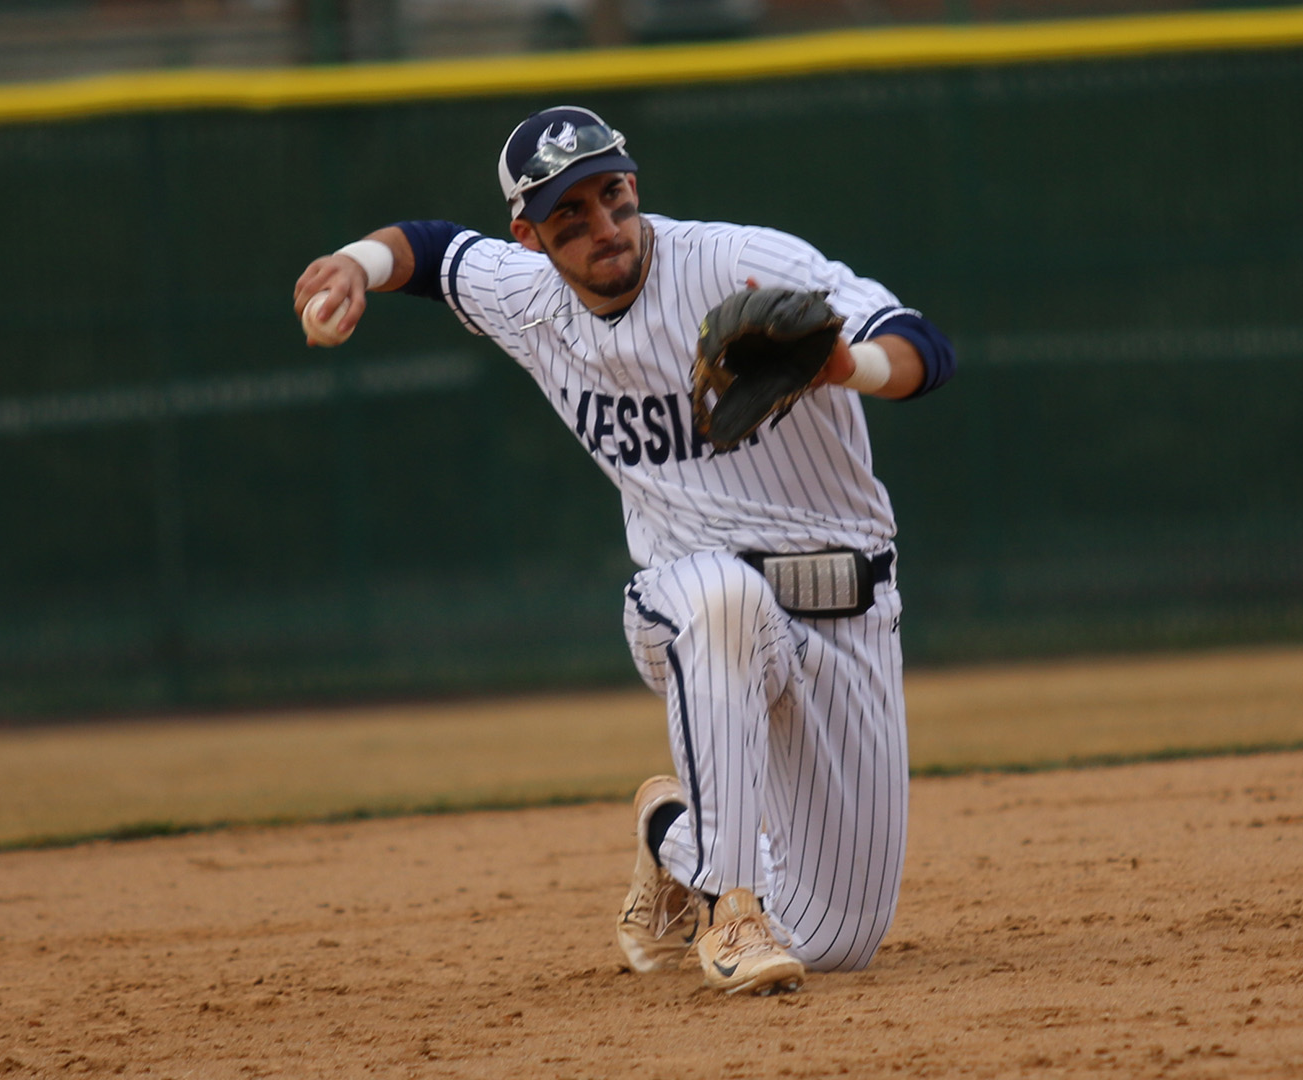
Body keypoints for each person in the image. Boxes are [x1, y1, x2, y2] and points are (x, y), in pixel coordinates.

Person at [292, 105, 955, 995]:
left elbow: (922, 347)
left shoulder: (734, 263)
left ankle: (669, 831)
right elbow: (429, 248)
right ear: (530, 236)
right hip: (690, 604)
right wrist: (356, 266)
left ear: (634, 184)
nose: (604, 226)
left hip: (847, 608)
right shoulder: (526, 297)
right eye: (572, 214)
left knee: (839, 938)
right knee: (722, 596)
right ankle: (732, 914)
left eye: (614, 195)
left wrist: (853, 368)